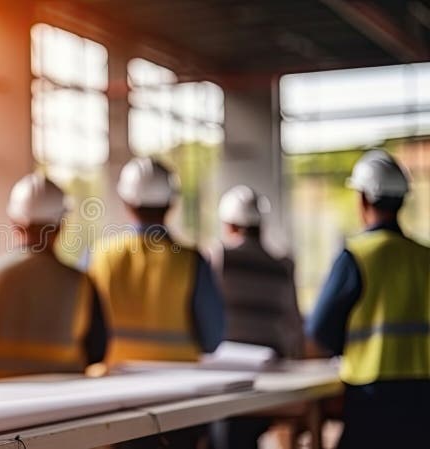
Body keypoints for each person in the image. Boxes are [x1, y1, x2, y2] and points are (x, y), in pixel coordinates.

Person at [86, 157, 224, 449]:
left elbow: (84, 334)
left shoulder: (99, 256)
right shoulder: (191, 260)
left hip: (112, 398)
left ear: (126, 202)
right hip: (181, 400)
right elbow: (212, 339)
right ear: (171, 204)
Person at [305, 149, 430, 449]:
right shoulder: (425, 257)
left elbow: (320, 329)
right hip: (423, 396)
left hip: (371, 395)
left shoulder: (356, 256)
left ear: (363, 199)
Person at [0, 172, 108, 380]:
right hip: (61, 399)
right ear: (61, 225)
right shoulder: (81, 285)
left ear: (14, 223)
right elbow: (96, 353)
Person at [209, 185, 303, 449]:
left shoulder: (220, 257)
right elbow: (294, 325)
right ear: (261, 227)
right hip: (275, 378)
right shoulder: (283, 266)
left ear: (229, 225)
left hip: (230, 379)